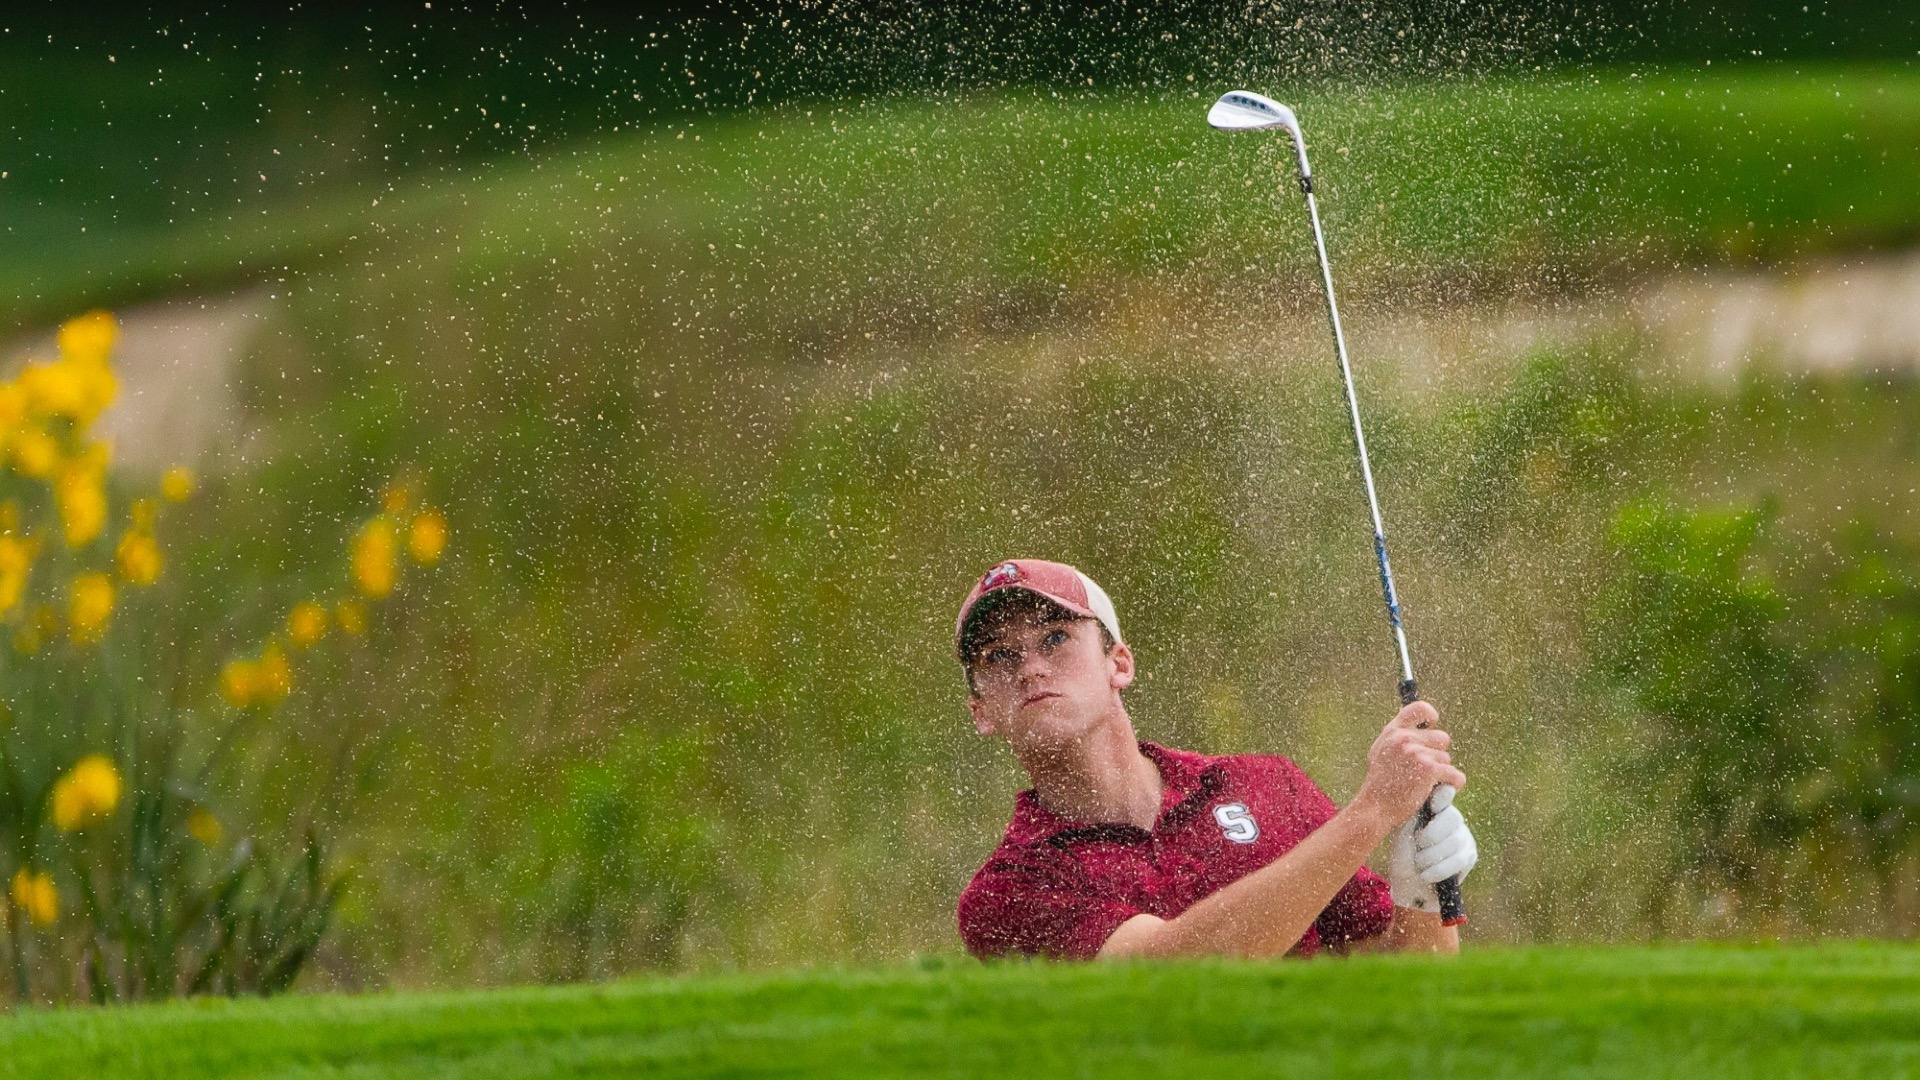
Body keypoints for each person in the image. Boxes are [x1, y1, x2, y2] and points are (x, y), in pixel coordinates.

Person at [954, 558, 1478, 960]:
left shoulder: (1268, 785)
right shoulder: (1008, 891)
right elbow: (1170, 975)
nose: (1030, 669)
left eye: (1055, 637)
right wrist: (1370, 814)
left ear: (1119, 663)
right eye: (999, 655)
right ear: (981, 711)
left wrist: (1421, 896)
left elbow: (1398, 979)